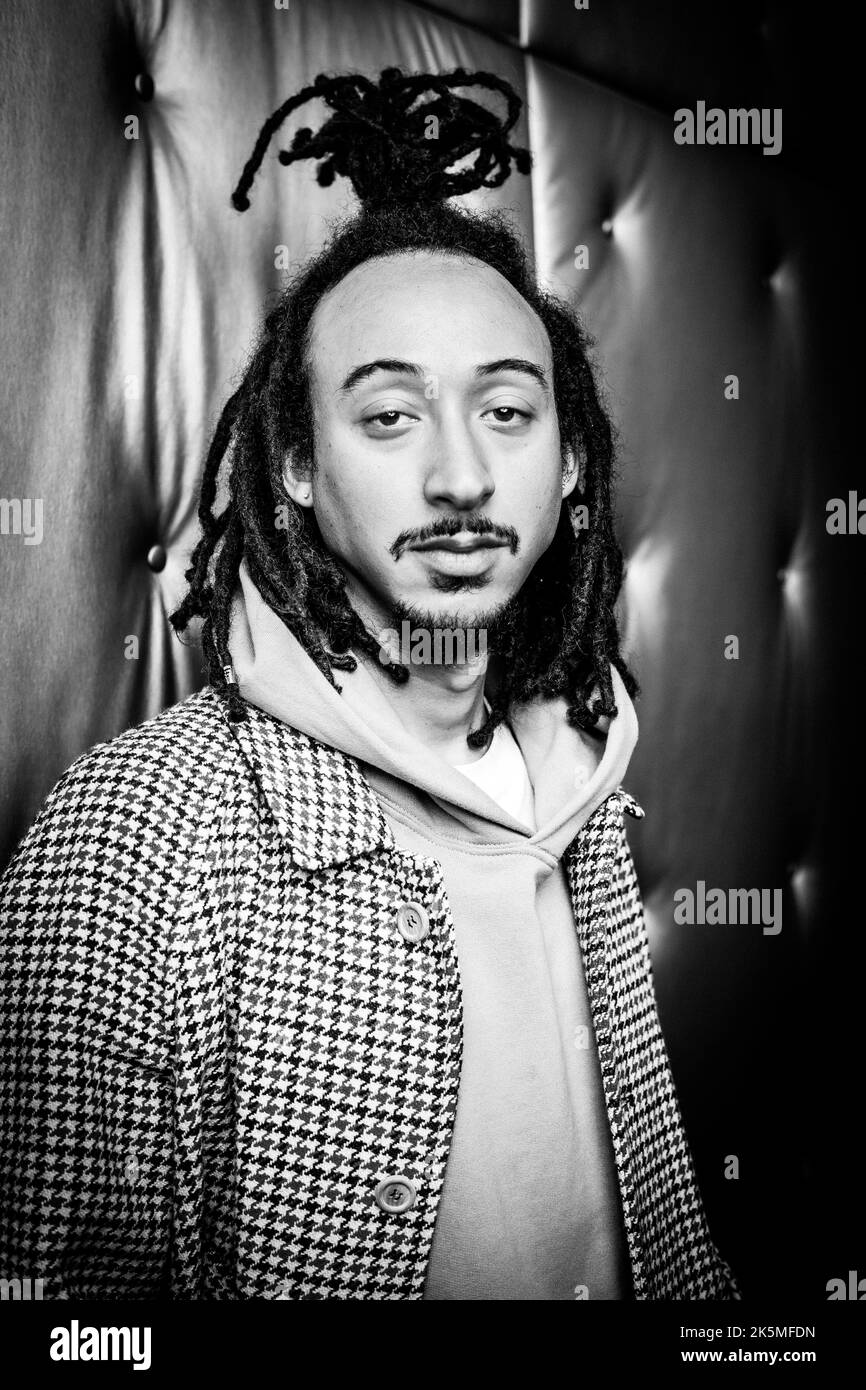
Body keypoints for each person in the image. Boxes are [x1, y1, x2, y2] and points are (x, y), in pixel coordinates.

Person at [0, 68, 738, 1300]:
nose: (459, 472)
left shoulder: (585, 775)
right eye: (389, 416)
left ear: (569, 470)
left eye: (508, 411)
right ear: (291, 464)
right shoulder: (130, 836)